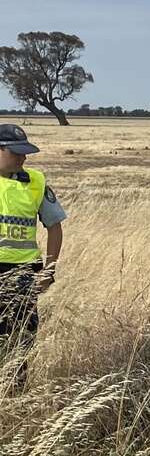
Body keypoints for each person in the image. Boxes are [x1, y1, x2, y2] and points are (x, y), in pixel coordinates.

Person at [0, 123, 67, 388]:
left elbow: (55, 227)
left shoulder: (36, 182)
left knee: (21, 340)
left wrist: (49, 271)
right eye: (16, 152)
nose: (23, 157)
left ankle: (14, 394)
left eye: (25, 152)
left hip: (23, 275)